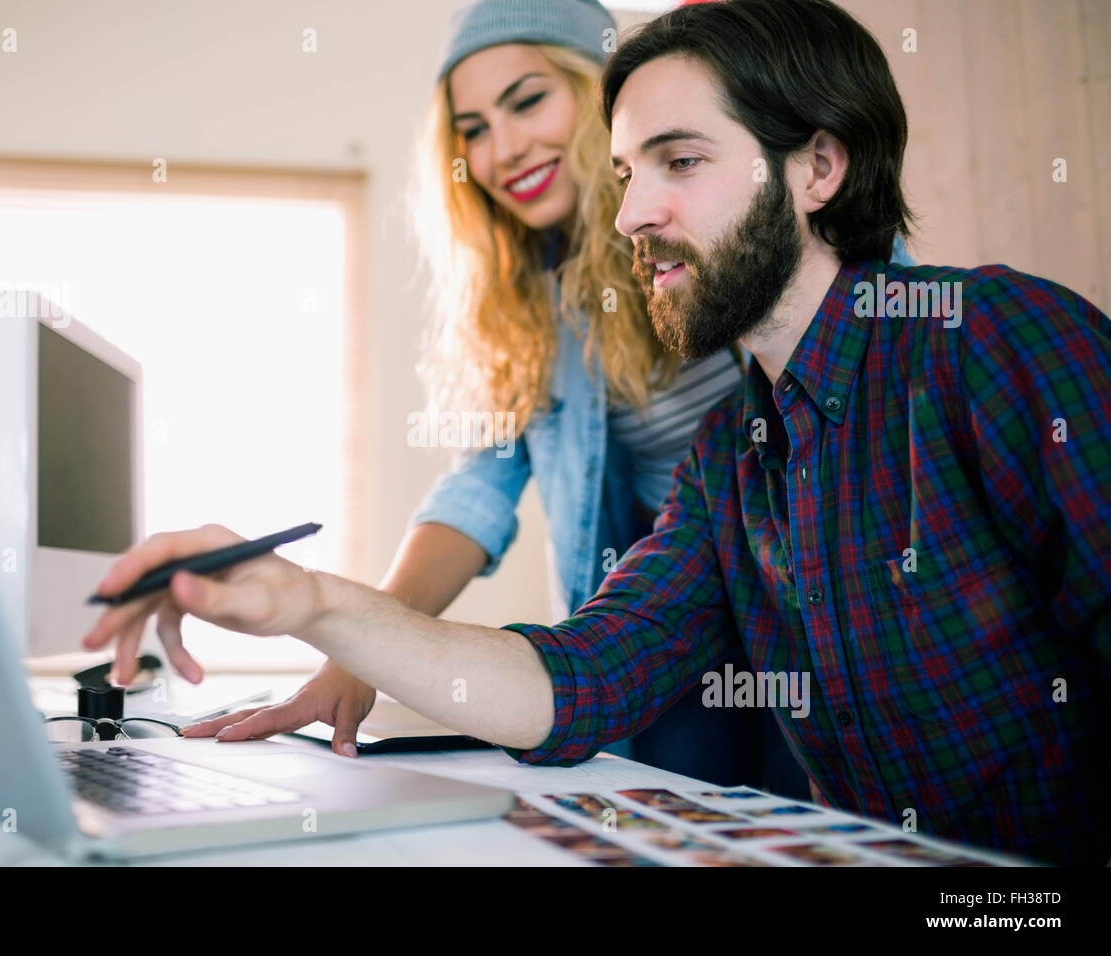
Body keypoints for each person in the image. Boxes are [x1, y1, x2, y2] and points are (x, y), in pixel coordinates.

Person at [81, 0, 1110, 864]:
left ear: (817, 167)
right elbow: (578, 668)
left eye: (679, 160)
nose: (632, 216)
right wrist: (310, 603)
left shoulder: (992, 339)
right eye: (627, 176)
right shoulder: (727, 462)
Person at [169, 0, 890, 797]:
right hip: (662, 608)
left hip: (805, 585)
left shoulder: (823, 271)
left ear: (606, 99)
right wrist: (348, 643)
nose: (503, 149)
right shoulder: (531, 296)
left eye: (527, 101)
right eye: (472, 128)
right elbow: (481, 484)